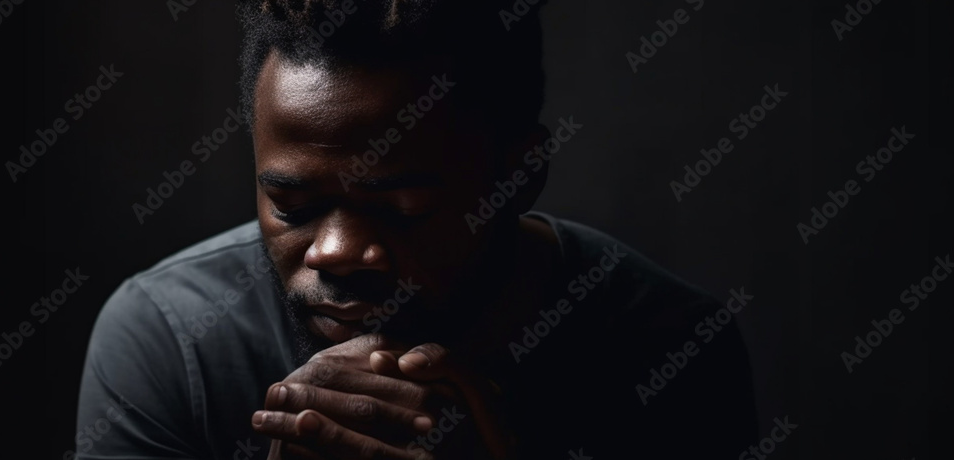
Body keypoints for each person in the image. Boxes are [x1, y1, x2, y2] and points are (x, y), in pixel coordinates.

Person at [75, 0, 758, 458]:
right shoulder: (169, 335)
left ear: (519, 178)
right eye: (292, 205)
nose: (336, 252)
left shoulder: (673, 349)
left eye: (401, 208)